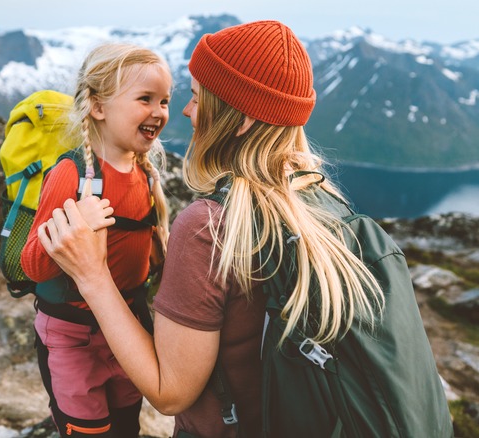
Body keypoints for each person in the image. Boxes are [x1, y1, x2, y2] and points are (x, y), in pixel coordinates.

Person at [37, 21, 386, 437]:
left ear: (236, 121)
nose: (184, 111)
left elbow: (170, 395)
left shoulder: (209, 226)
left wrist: (92, 275)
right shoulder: (323, 202)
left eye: (196, 99)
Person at [20, 42, 172, 437]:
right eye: (145, 99)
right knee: (86, 430)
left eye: (165, 101)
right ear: (98, 107)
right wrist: (75, 225)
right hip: (74, 337)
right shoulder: (72, 177)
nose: (159, 112)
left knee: (126, 425)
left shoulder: (146, 176)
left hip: (127, 329)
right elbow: (33, 264)